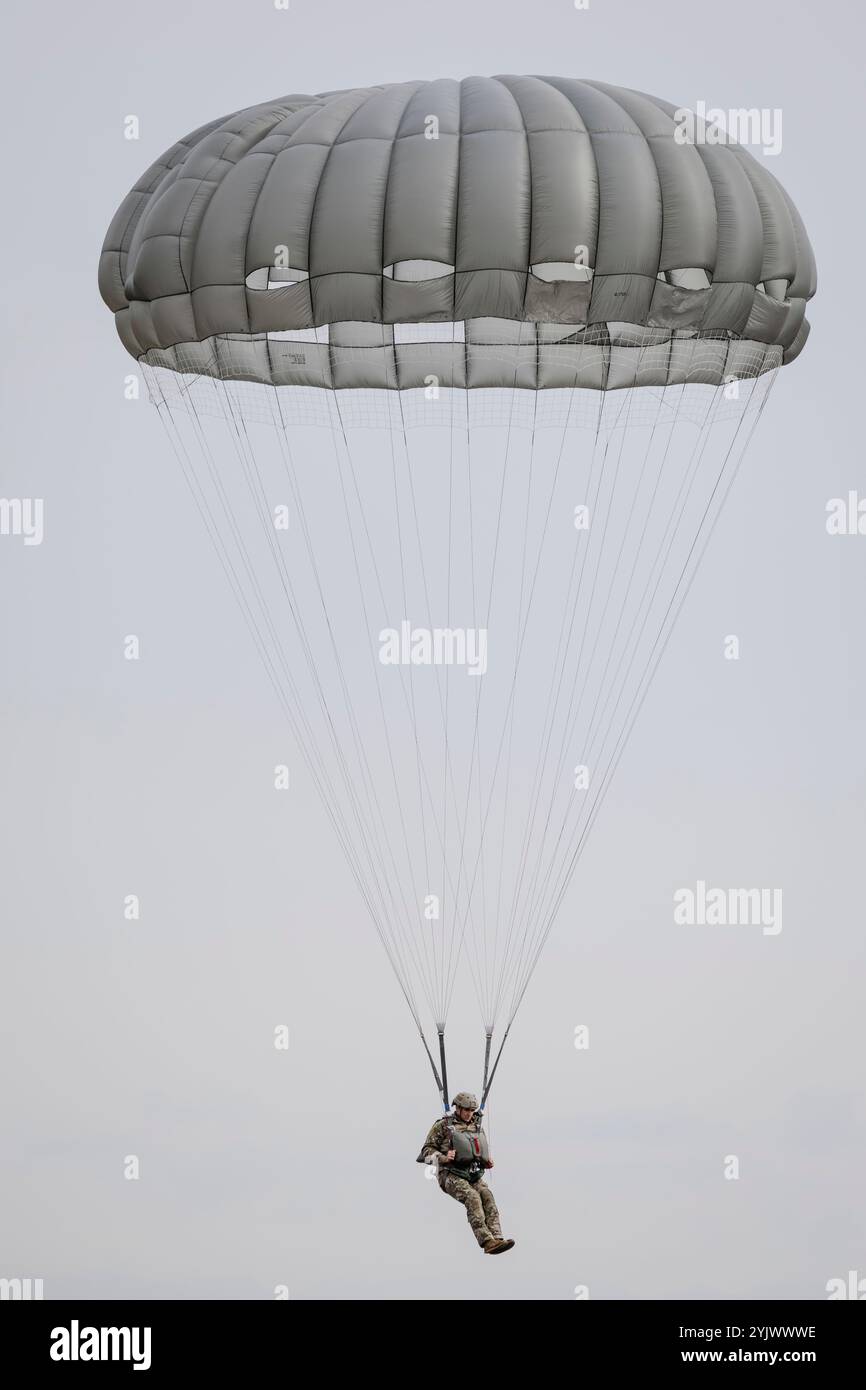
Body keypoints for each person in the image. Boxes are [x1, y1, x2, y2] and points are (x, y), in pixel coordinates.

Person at [417, 1091, 515, 1254]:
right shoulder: (443, 1126)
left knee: (487, 1196)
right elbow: (425, 1154)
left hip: (472, 1174)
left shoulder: (476, 1126)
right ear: (458, 1109)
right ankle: (486, 1242)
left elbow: (477, 1149)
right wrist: (443, 1157)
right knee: (473, 1197)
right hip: (450, 1175)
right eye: (466, 1110)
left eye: (472, 1110)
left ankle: (497, 1238)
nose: (469, 1114)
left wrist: (486, 1161)